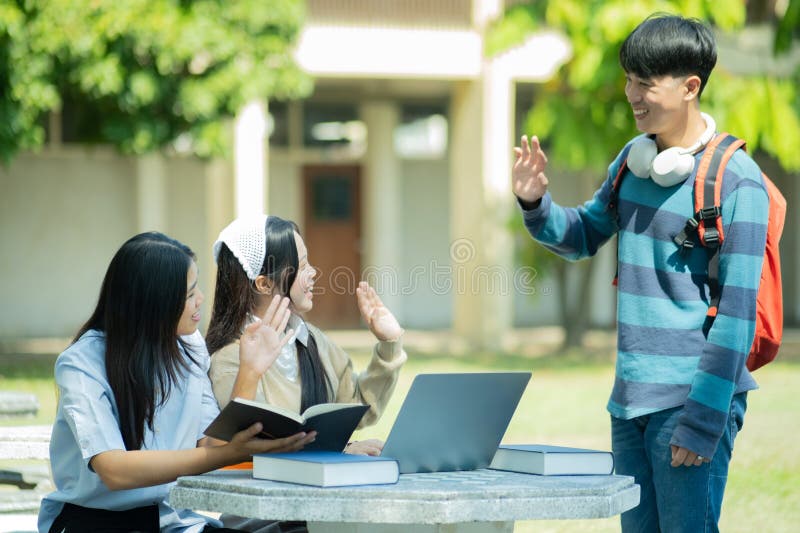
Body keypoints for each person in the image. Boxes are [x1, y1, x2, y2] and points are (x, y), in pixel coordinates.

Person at [511, 14, 767, 533]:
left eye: (646, 82)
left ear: (690, 86)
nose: (632, 94)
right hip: (629, 403)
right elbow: (582, 235)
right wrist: (535, 203)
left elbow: (738, 318)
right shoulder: (633, 160)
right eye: (629, 79)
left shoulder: (739, 182)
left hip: (691, 401)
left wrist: (702, 420)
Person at [38, 232, 316, 533]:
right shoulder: (82, 363)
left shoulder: (189, 347)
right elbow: (114, 470)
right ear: (153, 303)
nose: (200, 300)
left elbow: (213, 443)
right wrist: (227, 453)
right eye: (188, 294)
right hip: (95, 523)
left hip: (172, 522)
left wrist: (250, 371)